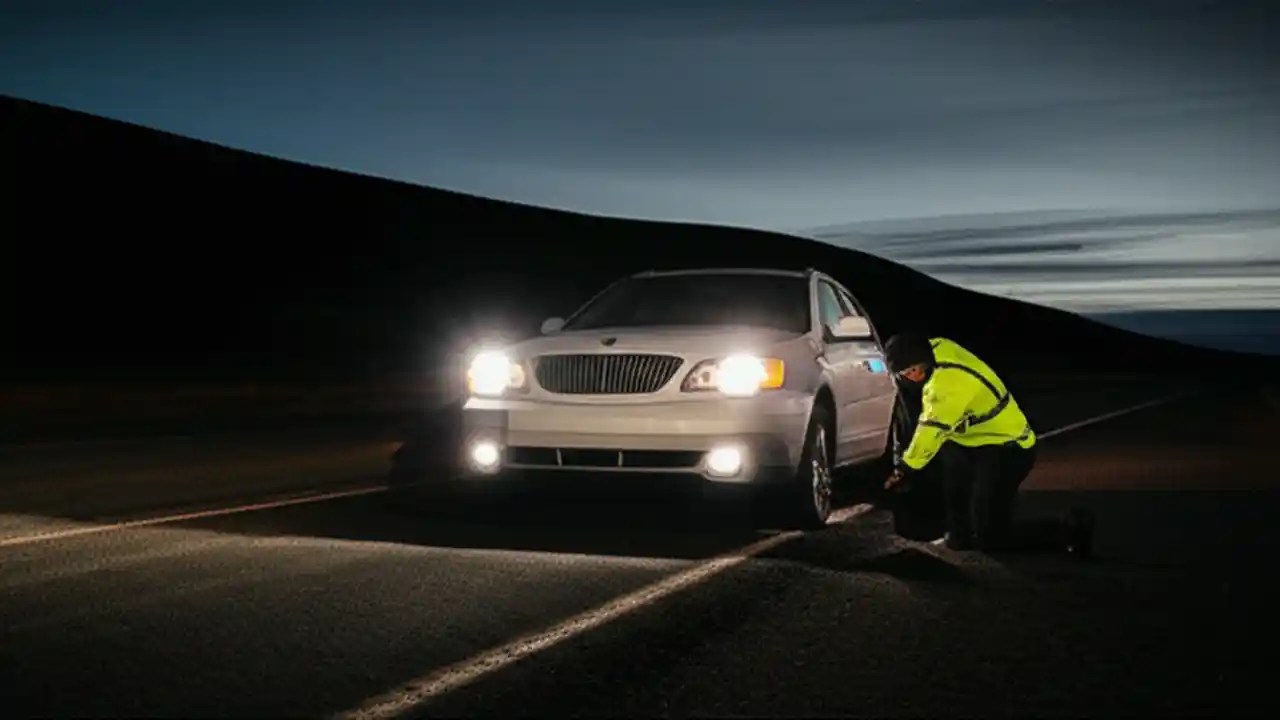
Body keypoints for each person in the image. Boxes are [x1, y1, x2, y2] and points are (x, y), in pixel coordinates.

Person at [881, 332, 1093, 557]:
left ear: (926, 361)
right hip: (968, 441)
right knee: (951, 473)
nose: (916, 376)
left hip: (1005, 447)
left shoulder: (949, 383)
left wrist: (904, 470)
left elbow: (930, 430)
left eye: (918, 369)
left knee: (991, 537)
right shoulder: (936, 347)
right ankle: (958, 534)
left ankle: (1070, 529)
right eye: (908, 372)